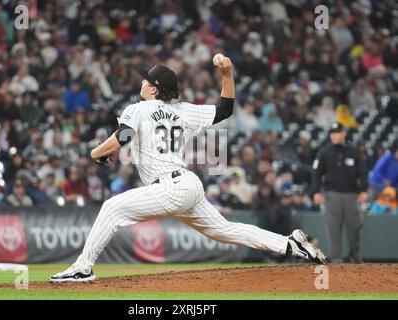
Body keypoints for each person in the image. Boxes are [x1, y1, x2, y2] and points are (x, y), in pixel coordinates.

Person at [51, 60, 326, 282]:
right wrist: (227, 74)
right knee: (224, 230)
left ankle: (82, 268)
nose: (142, 82)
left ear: (154, 90)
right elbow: (225, 109)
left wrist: (96, 152)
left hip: (169, 187)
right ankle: (290, 244)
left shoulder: (138, 108)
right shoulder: (183, 111)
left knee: (111, 208)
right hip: (188, 185)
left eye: (147, 80)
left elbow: (123, 137)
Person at [311, 122, 368, 264]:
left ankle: (355, 256)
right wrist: (316, 192)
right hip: (332, 194)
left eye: (337, 132)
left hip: (352, 195)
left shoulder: (354, 151)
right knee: (333, 228)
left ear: (344, 133)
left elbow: (363, 172)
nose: (334, 135)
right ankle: (336, 259)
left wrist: (363, 191)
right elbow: (316, 173)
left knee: (354, 228)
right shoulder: (324, 152)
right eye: (332, 133)